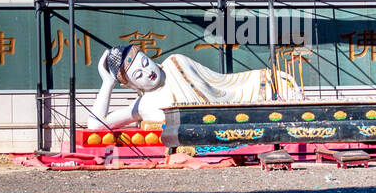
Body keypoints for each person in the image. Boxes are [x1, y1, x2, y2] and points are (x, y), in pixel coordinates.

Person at [86, 44, 301, 131]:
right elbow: (95, 127)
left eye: (145, 62)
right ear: (131, 84)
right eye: (138, 75)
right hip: (210, 126)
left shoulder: (175, 62)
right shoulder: (143, 105)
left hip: (227, 98)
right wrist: (107, 83)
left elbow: (216, 84)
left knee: (270, 81)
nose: (147, 71)